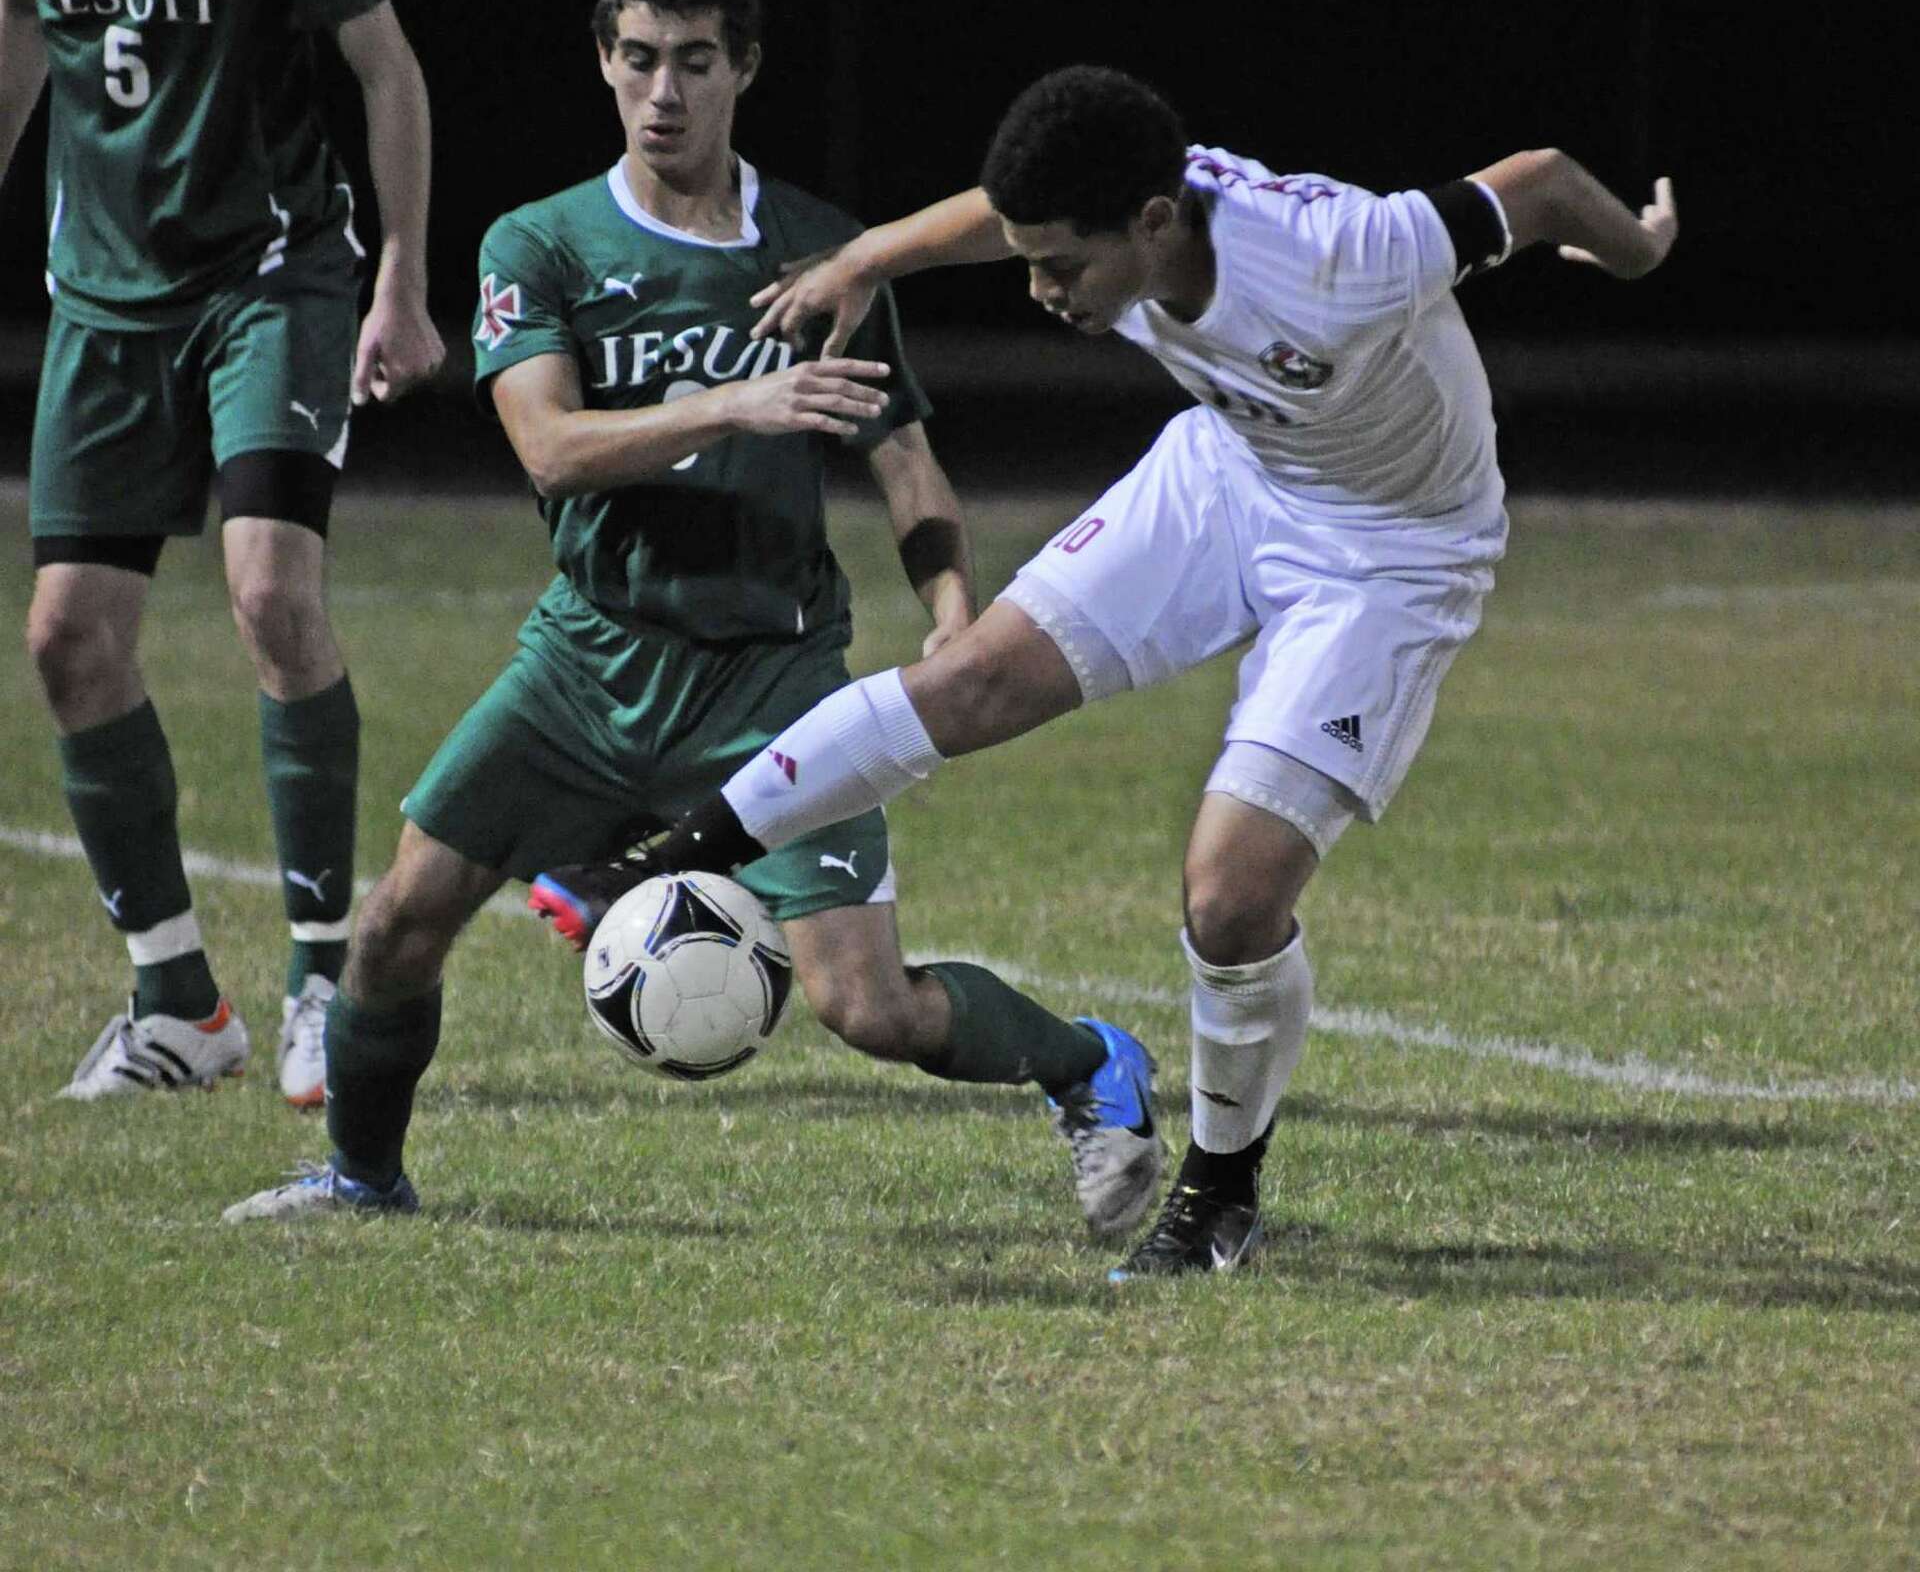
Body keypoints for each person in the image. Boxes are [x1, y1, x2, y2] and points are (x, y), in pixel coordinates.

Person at [528, 64, 1679, 1279]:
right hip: (1236, 475)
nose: (1039, 290)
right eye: (1027, 260)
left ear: (1152, 223)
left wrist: (1641, 250)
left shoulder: (1342, 252)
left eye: (1060, 266)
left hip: (1392, 555)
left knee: (1230, 899)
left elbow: (1541, 184)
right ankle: (665, 861)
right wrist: (871, 257)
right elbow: (1002, 207)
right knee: (972, 679)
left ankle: (1219, 1191)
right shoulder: (1115, 211)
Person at [224, 0, 1160, 1229]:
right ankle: (365, 1181)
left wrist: (952, 621)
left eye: (697, 62)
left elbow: (908, 470)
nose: (666, 93)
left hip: (771, 678)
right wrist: (737, 403)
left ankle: (1092, 1065)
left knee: (865, 1006)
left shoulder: (825, 256)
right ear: (604, 64)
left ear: (745, 69)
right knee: (395, 930)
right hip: (584, 664)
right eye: (642, 60)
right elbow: (549, 449)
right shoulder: (537, 244)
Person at [0, 0, 443, 1107]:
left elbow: (386, 71)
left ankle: (325, 977)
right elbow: (19, 45)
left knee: (270, 593)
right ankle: (179, 1003)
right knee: (67, 641)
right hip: (103, 301)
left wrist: (398, 277)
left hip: (270, 277)